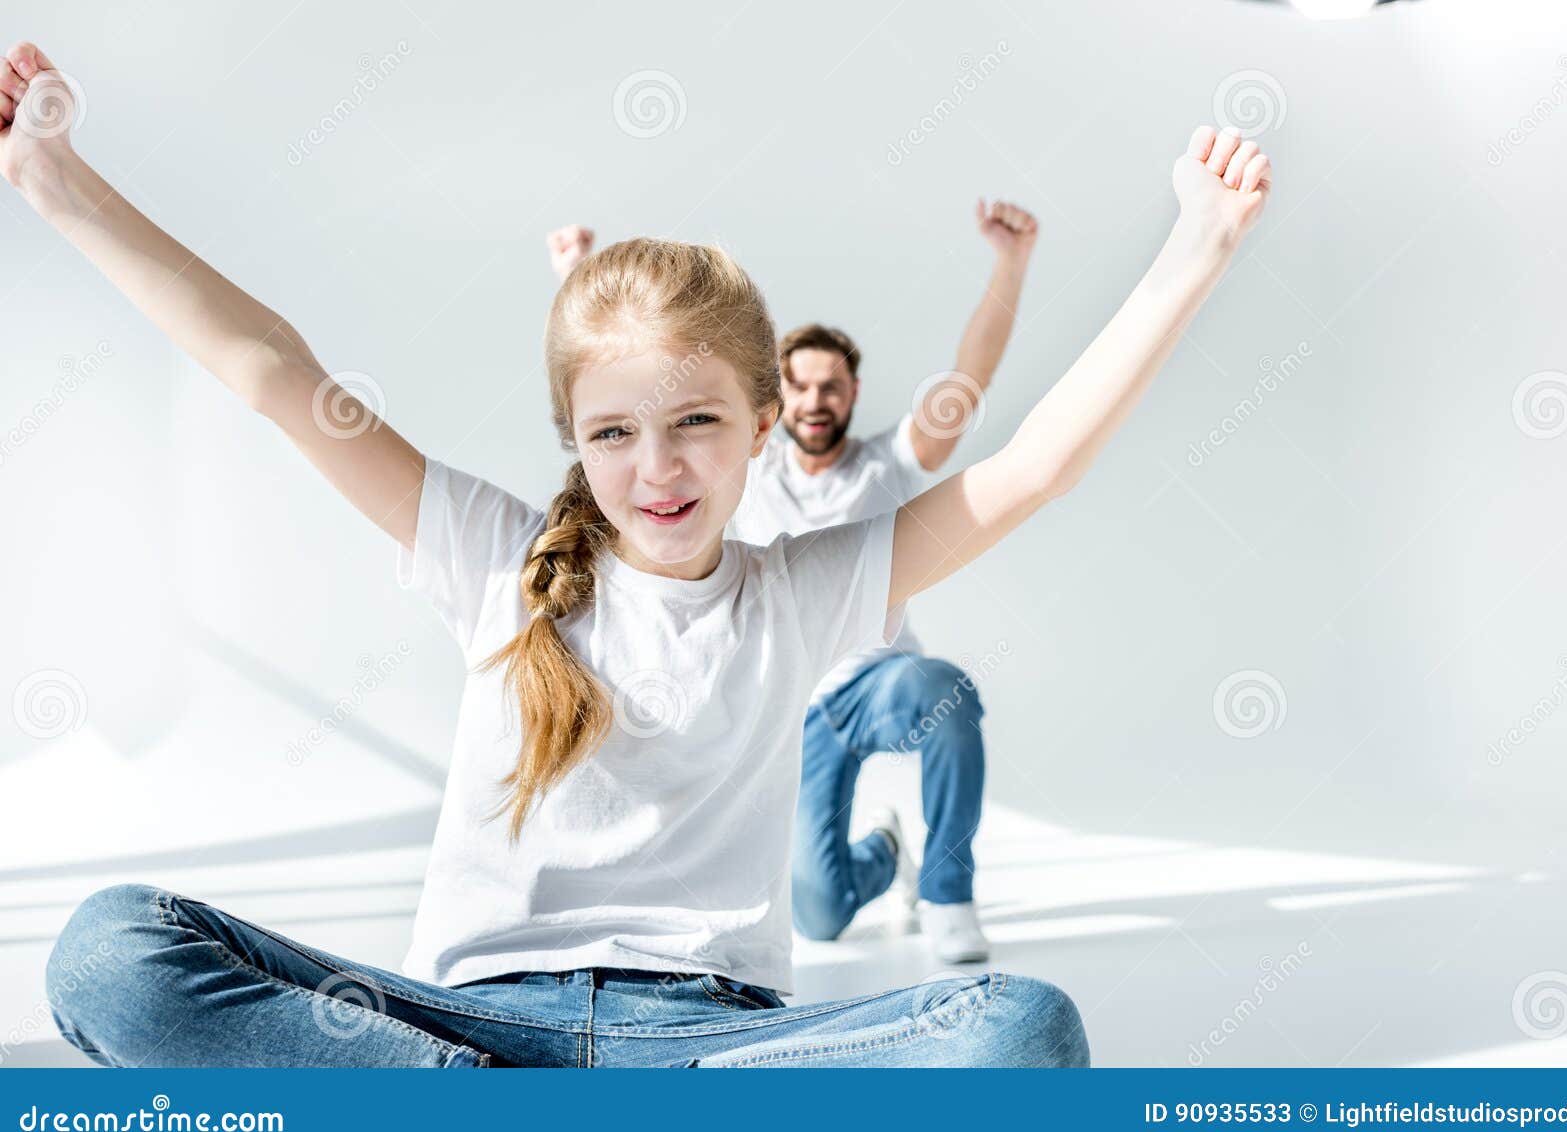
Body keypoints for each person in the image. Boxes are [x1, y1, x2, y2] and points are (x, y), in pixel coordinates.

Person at [4, 36, 1271, 1066]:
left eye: (696, 424)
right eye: (615, 431)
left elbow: (1030, 469)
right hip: (455, 1035)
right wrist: (64, 188)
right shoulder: (490, 554)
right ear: (573, 435)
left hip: (712, 1048)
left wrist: (1194, 248)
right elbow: (275, 370)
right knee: (112, 951)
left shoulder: (806, 594)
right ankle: (482, 1117)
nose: (655, 468)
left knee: (1017, 1029)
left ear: (763, 428)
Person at [550, 202, 1039, 965]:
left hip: (880, 679)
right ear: (772, 409)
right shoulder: (741, 461)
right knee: (818, 911)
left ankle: (949, 892)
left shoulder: (890, 463)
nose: (818, 399)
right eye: (802, 386)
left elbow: (967, 380)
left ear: (851, 392)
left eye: (833, 385)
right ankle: (886, 854)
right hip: (790, 700)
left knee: (943, 694)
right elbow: (619, 378)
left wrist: (1011, 264)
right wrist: (576, 275)